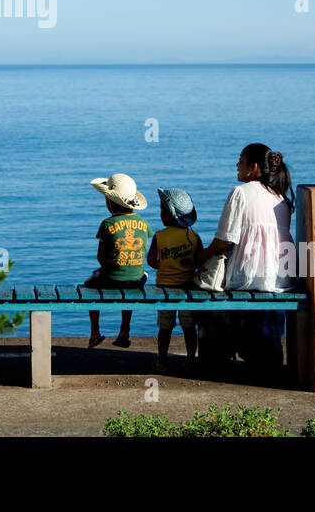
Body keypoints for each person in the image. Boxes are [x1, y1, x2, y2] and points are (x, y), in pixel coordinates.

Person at [195, 144, 294, 374]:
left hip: (249, 275)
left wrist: (200, 257)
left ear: (254, 168)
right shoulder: (279, 197)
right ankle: (262, 357)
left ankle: (216, 360)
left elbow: (223, 241)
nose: (236, 165)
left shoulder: (241, 193)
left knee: (208, 289)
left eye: (240, 160)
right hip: (280, 277)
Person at [85, 173, 153, 349]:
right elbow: (142, 250)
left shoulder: (107, 224)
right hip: (137, 279)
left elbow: (100, 257)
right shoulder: (144, 223)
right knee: (132, 284)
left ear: (111, 202)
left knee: (90, 285)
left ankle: (94, 332)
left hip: (111, 278)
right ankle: (124, 330)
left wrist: (106, 269)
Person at [146, 188, 203, 372]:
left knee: (165, 327)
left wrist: (165, 265)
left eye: (162, 210)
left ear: (167, 215)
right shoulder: (194, 236)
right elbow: (199, 260)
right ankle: (191, 360)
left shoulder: (160, 236)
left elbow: (151, 261)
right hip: (188, 289)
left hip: (164, 289)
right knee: (188, 327)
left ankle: (161, 360)